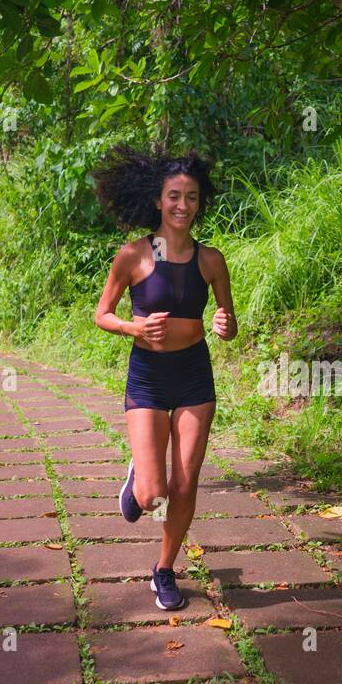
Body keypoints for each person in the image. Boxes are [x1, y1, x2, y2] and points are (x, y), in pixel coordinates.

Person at [92, 144, 237, 610]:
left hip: (194, 374)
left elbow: (227, 320)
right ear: (158, 200)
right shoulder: (133, 255)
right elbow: (102, 315)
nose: (182, 205)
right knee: (153, 494)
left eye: (191, 197)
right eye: (174, 195)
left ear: (200, 202)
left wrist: (224, 324)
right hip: (149, 377)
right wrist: (134, 326)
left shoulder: (211, 259)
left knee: (185, 481)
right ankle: (139, 476)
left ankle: (164, 569)